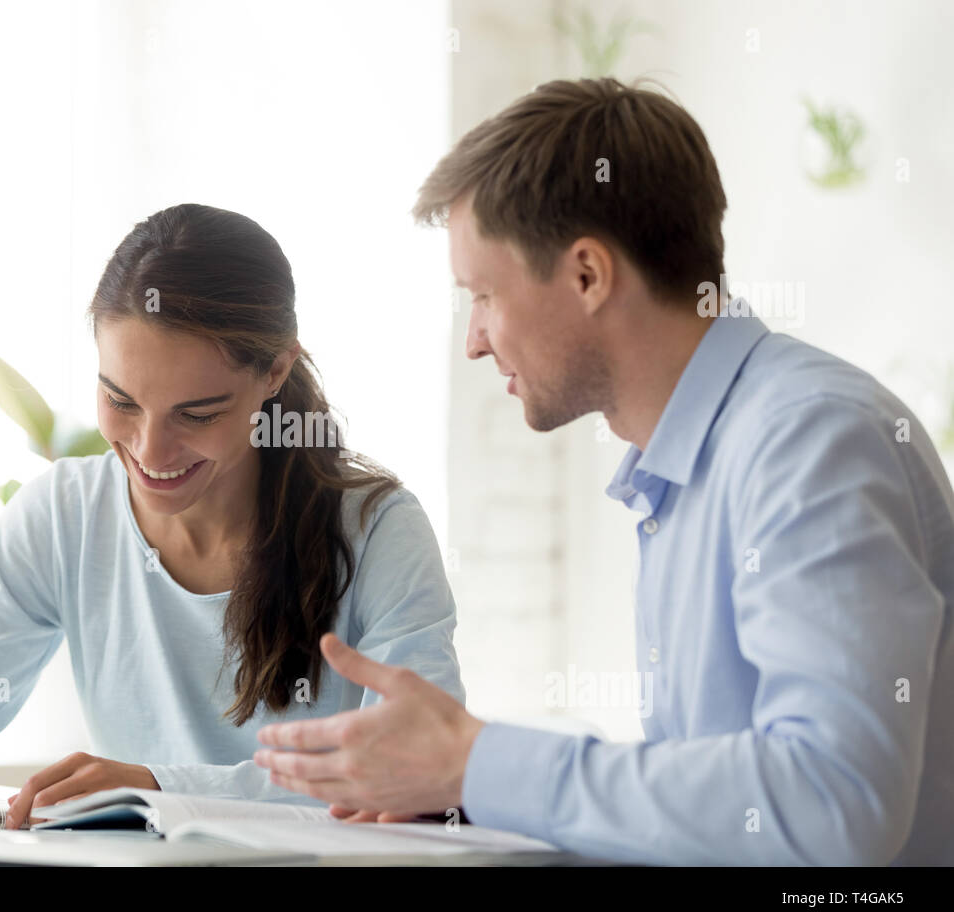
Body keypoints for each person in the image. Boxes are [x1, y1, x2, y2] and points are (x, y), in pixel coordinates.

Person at [254, 77, 954, 865]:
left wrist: (475, 762)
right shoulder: (690, 462)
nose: (474, 341)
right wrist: (462, 785)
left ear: (588, 274)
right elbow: (724, 799)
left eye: (483, 294)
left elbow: (832, 805)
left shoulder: (806, 441)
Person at [0, 203, 464, 828]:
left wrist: (156, 788)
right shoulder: (64, 516)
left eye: (197, 414)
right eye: (121, 400)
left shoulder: (378, 530)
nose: (149, 452)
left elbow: (421, 769)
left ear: (275, 370)